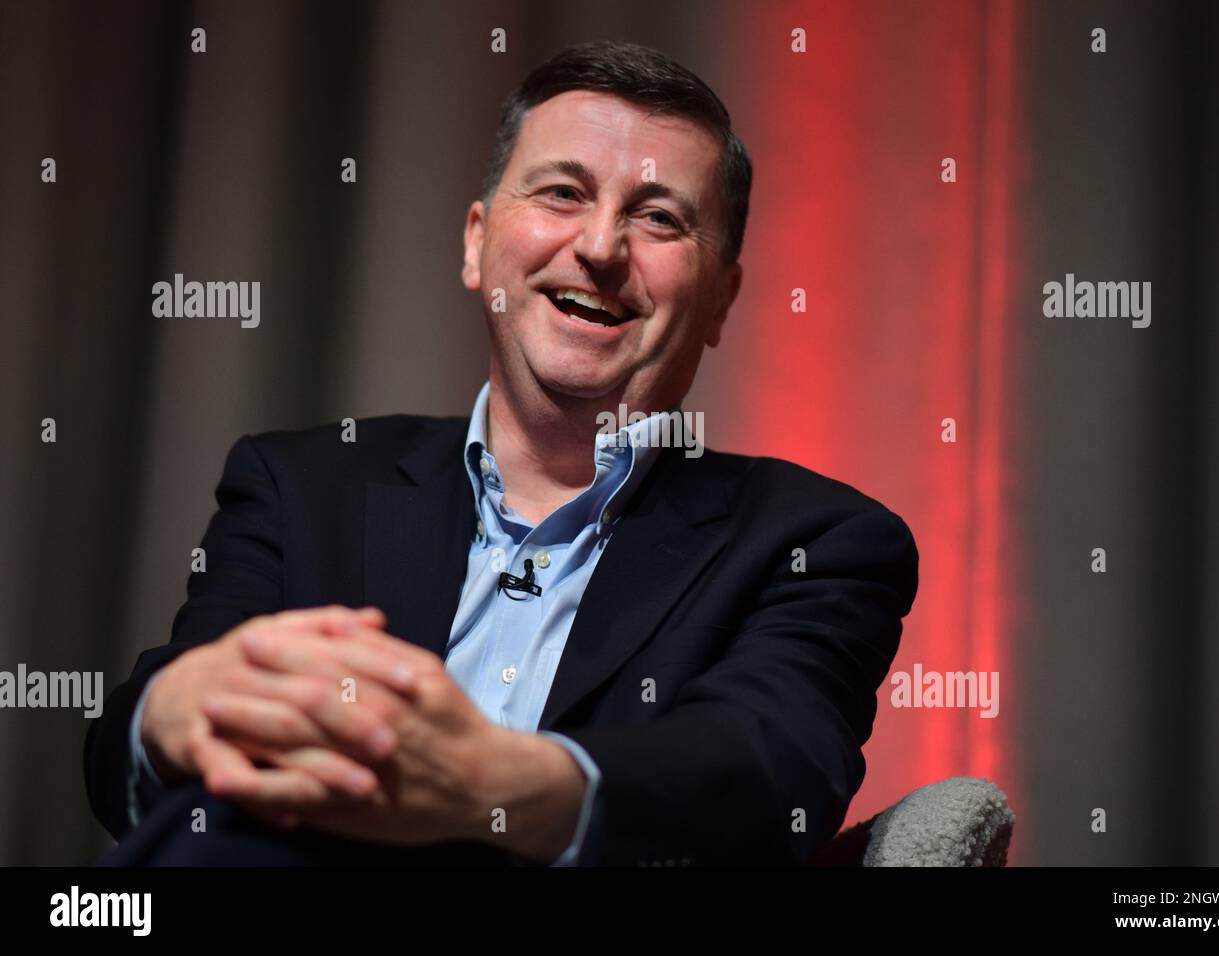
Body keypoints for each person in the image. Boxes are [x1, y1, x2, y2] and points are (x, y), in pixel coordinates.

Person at [84, 39, 919, 867]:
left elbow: (771, 778)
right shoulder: (302, 485)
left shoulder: (820, 543)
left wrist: (492, 783)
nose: (599, 247)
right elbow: (145, 747)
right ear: (477, 245)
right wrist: (168, 711)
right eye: (562, 192)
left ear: (720, 302)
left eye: (659, 218)